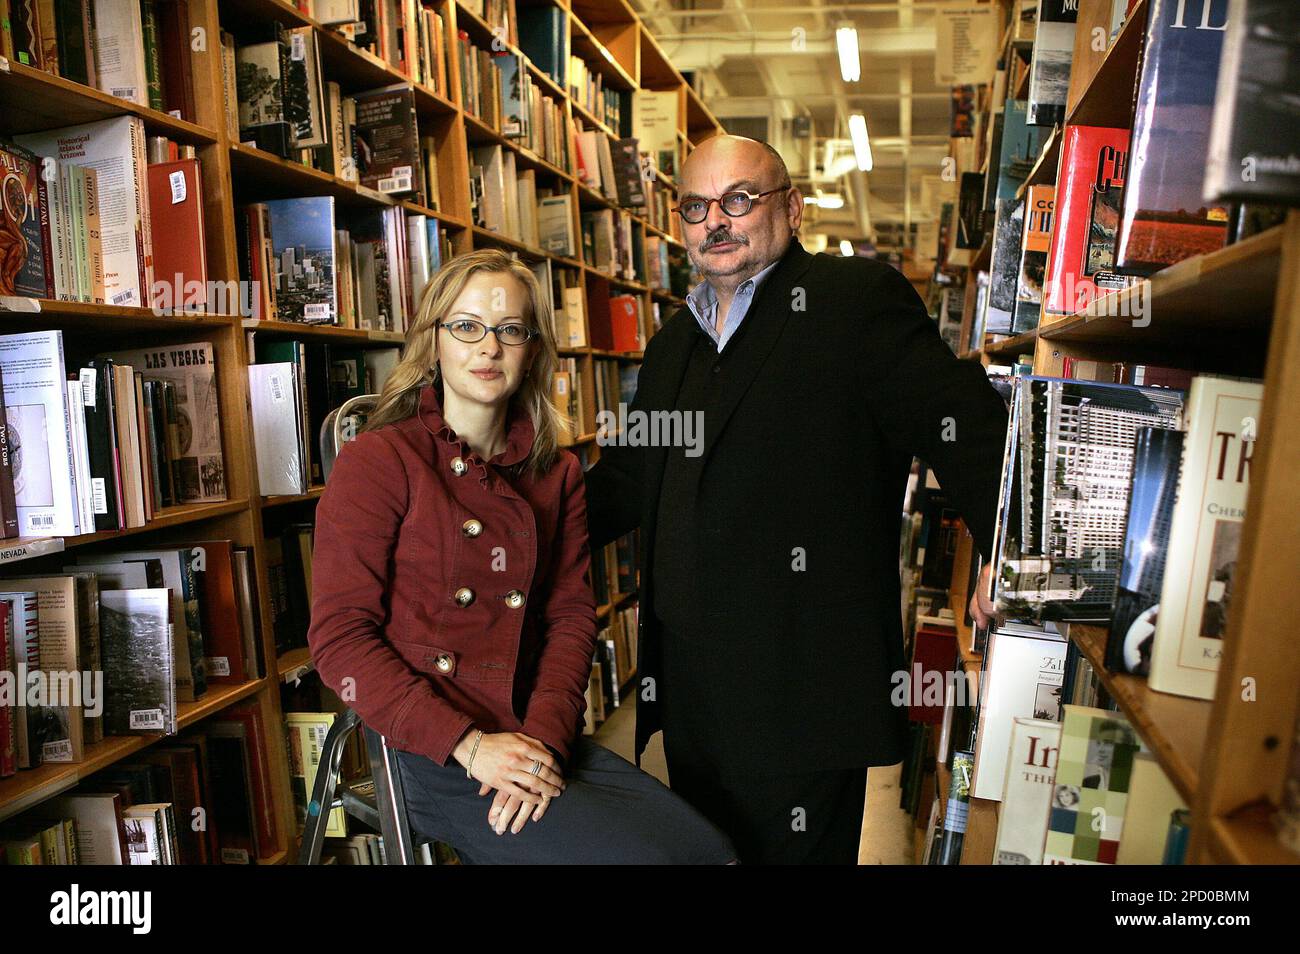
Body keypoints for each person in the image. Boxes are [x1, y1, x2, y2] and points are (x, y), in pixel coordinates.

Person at [583, 135, 1009, 864]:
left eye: (739, 199)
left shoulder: (853, 304)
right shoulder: (673, 343)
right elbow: (626, 480)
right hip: (690, 692)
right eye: (695, 205)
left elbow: (966, 425)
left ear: (793, 209)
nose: (716, 220)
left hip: (801, 695)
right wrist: (508, 524)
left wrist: (1008, 550)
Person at [307, 248, 735, 864]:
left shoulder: (555, 472)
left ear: (533, 349)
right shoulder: (382, 461)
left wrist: (543, 738)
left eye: (510, 330)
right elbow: (340, 639)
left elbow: (570, 619)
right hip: (427, 745)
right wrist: (471, 745)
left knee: (708, 851)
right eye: (467, 326)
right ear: (433, 342)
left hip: (529, 729)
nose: (488, 347)